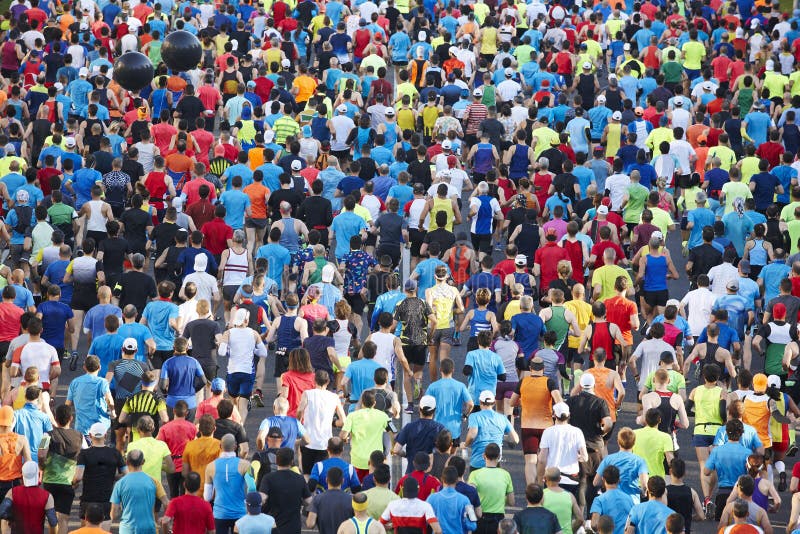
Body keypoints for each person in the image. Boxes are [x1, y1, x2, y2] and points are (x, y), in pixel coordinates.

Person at [110, 449, 170, 534]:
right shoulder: (154, 481)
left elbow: (114, 514)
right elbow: (166, 503)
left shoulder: (120, 483)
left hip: (127, 529)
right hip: (149, 528)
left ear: (127, 462)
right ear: (143, 462)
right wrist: (165, 520)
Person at [204, 434, 250, 534]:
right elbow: (251, 488)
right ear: (235, 446)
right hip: (240, 513)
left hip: (220, 514)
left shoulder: (210, 466)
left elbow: (207, 497)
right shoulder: (245, 465)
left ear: (220, 446)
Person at [0, 460, 58, 534]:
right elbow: (53, 522)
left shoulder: (12, 492)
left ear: (22, 476)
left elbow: (2, 512)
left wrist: (10, 518)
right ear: (38, 475)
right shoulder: (47, 496)